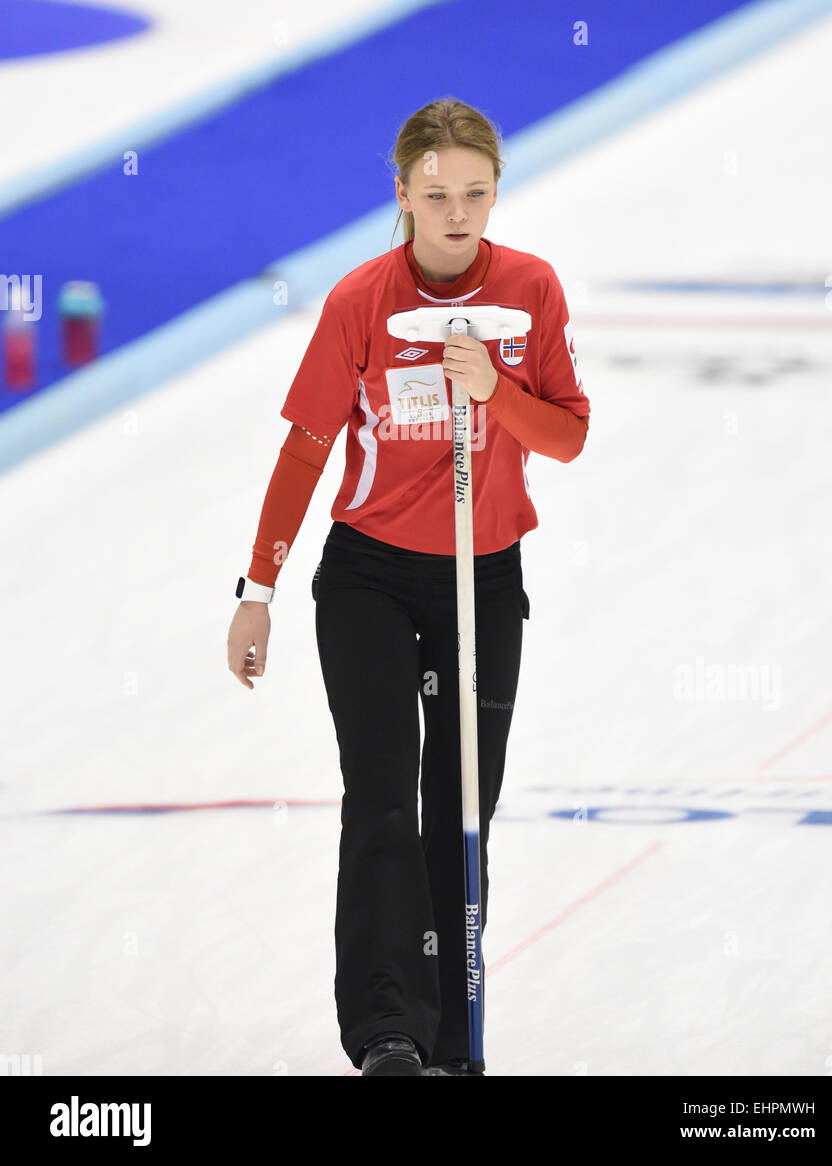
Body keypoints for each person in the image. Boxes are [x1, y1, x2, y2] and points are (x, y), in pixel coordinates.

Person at [227, 97, 590, 1076]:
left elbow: (566, 434)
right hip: (370, 578)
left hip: (484, 575)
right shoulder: (361, 301)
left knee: (462, 805)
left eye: (475, 192)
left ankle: (453, 1034)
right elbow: (307, 449)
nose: (458, 213)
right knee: (383, 797)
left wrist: (494, 390)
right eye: (437, 195)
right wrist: (254, 587)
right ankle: (389, 1029)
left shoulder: (530, 290)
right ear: (402, 194)